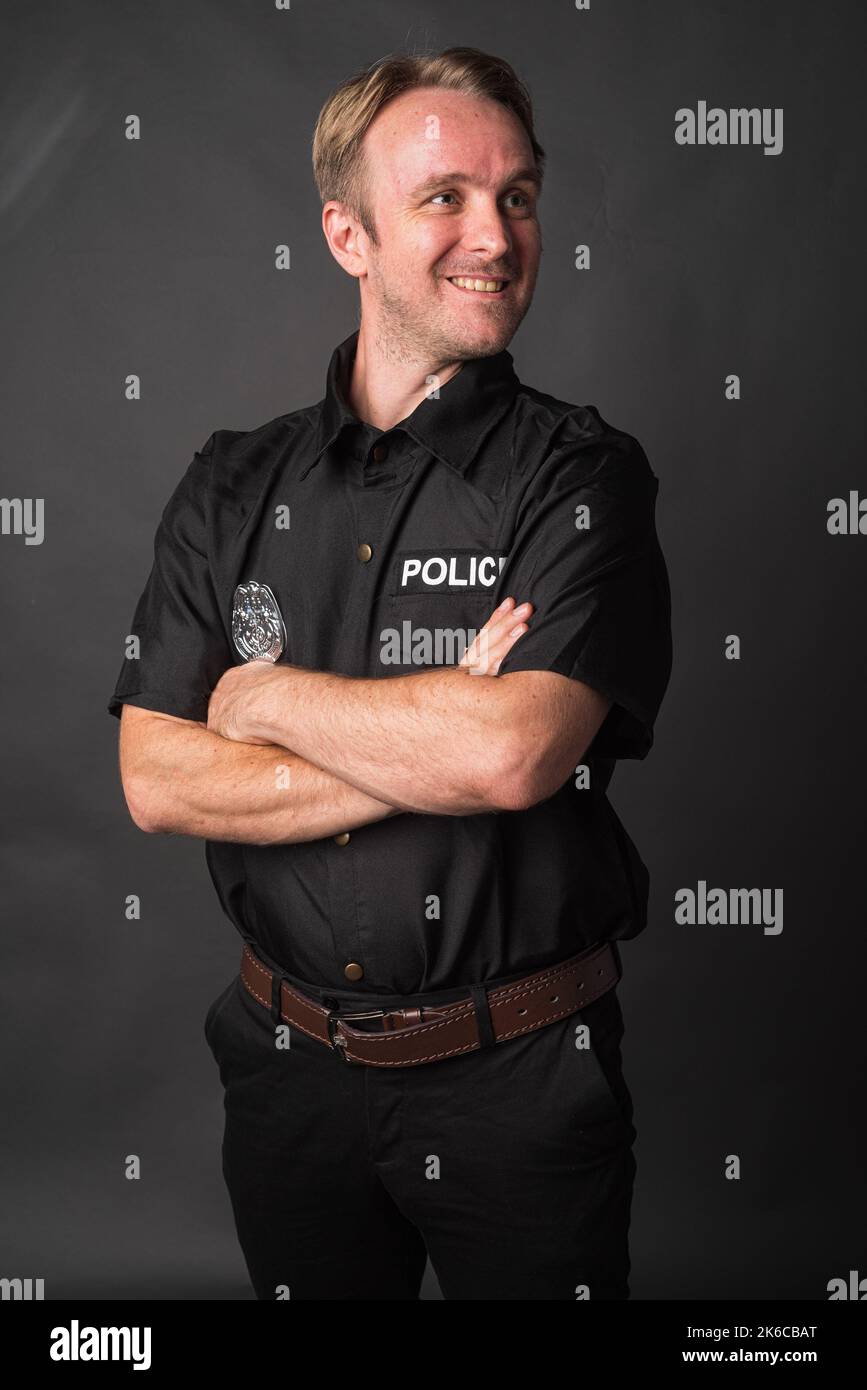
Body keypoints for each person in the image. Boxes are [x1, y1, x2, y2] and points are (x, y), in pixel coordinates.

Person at [108, 46, 672, 1301]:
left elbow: (511, 751)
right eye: (446, 198)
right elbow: (154, 776)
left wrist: (257, 703)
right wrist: (431, 738)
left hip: (519, 1079)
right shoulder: (228, 484)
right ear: (346, 234)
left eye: (517, 196)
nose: (496, 233)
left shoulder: (582, 479)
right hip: (286, 1075)